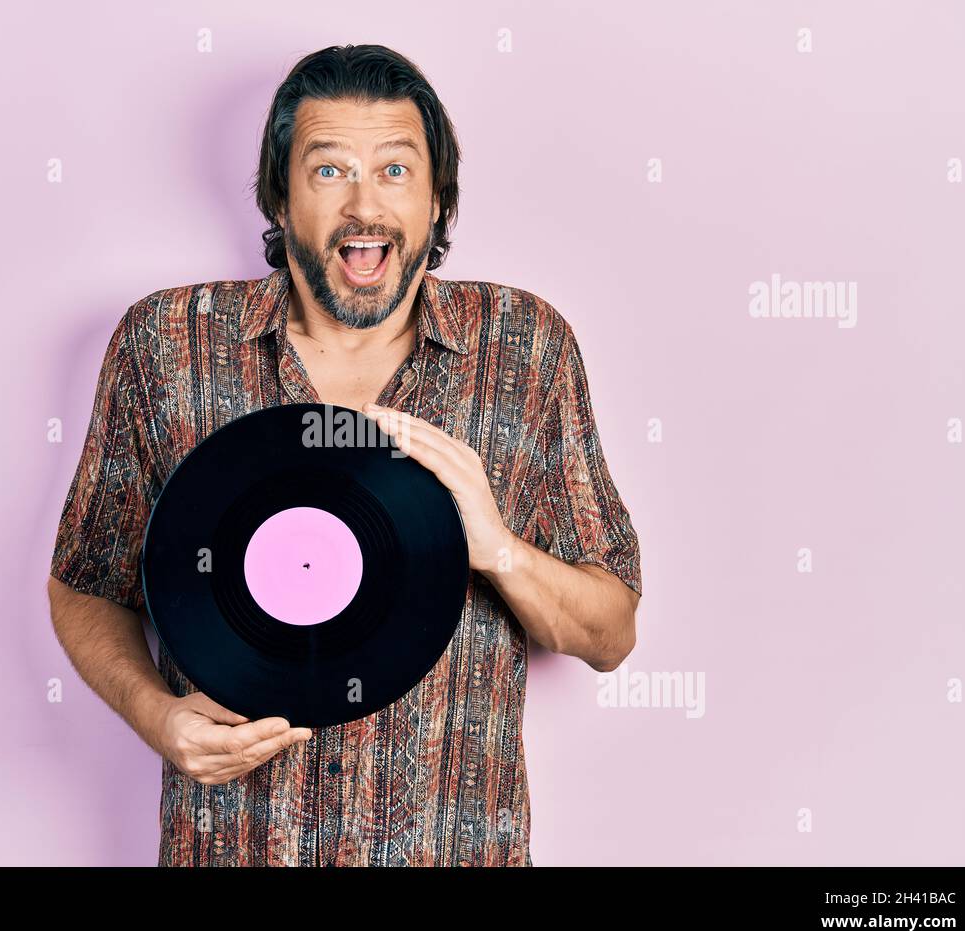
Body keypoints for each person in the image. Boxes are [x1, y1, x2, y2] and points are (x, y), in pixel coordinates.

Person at [46, 43, 642, 866]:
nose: (365, 205)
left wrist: (497, 547)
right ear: (280, 200)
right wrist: (156, 715)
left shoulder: (526, 349)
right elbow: (85, 582)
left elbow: (610, 634)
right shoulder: (166, 348)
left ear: (438, 201)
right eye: (329, 171)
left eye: (396, 170)